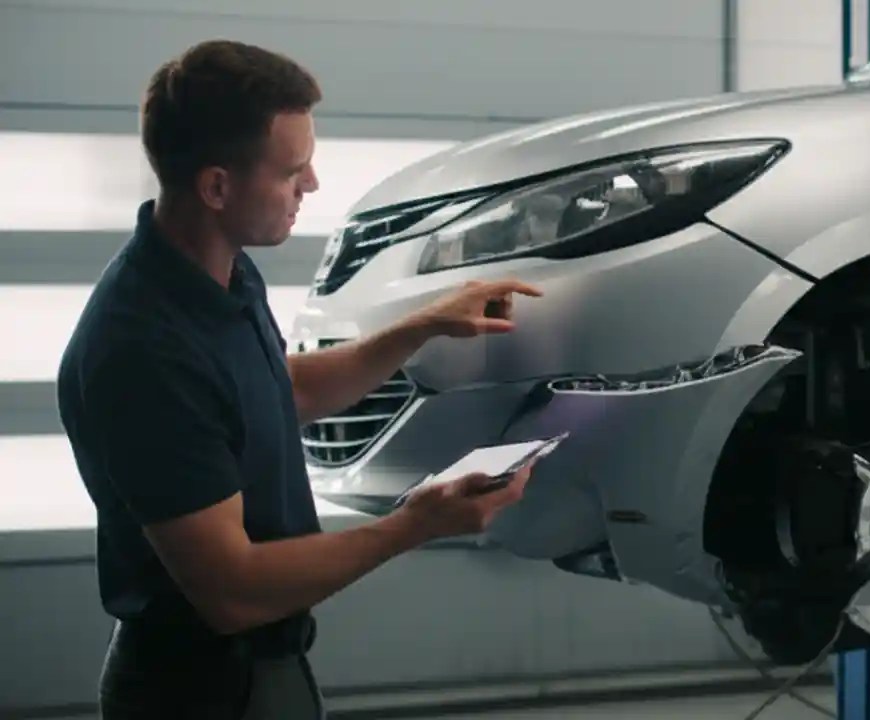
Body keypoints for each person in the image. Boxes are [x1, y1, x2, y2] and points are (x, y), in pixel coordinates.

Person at [54, 39, 543, 719]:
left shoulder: (218, 270)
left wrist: (421, 327)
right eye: (291, 170)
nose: (310, 184)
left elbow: (278, 392)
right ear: (217, 187)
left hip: (266, 670)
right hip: (197, 694)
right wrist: (415, 524)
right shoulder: (143, 351)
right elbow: (232, 591)